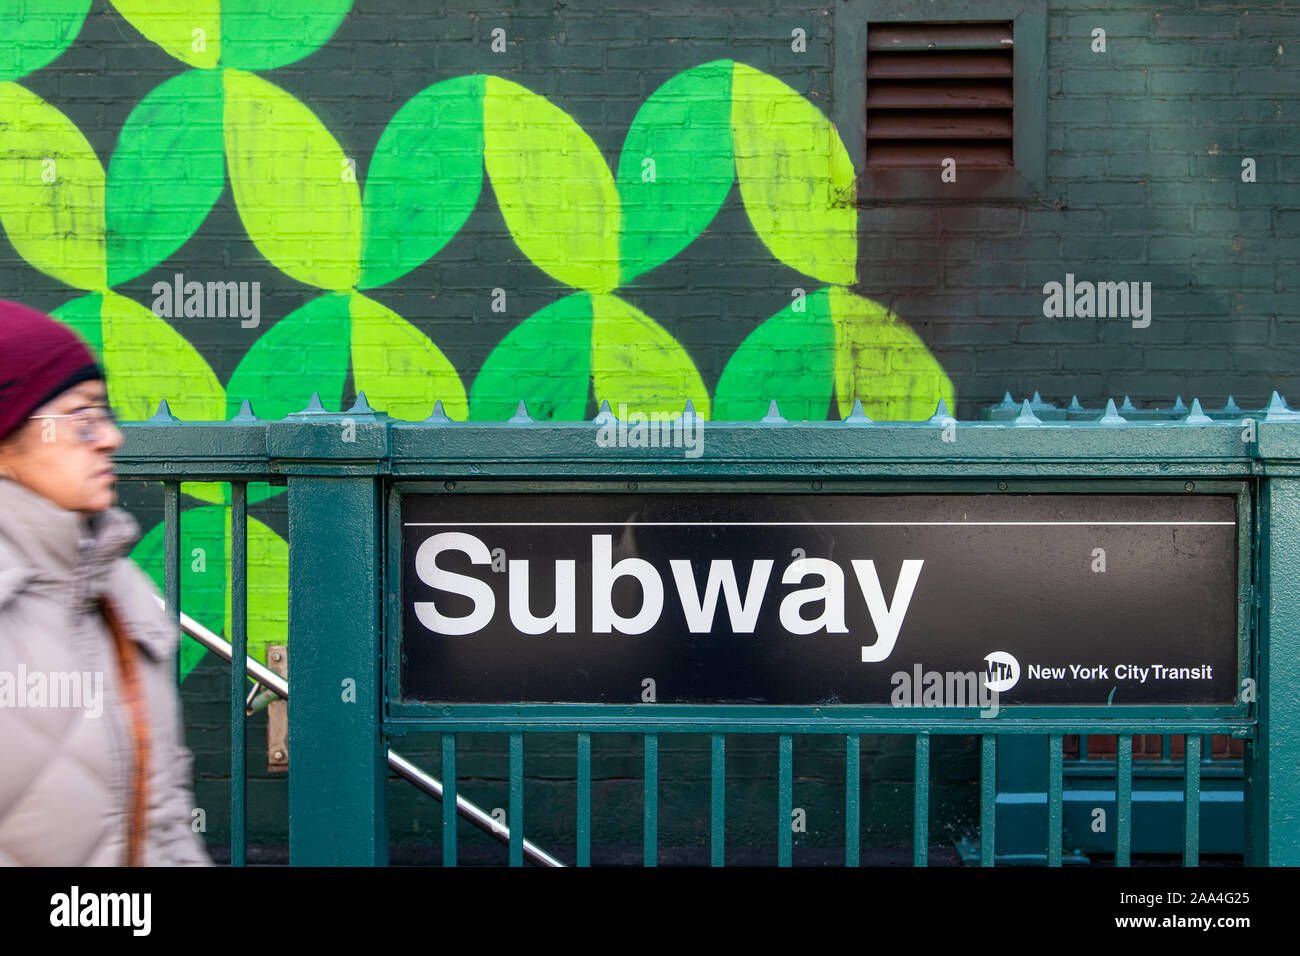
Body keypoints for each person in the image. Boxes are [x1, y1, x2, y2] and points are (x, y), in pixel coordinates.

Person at [0, 300, 210, 865]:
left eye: (105, 414)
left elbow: (162, 821)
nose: (110, 437)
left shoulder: (117, 590)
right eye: (80, 416)